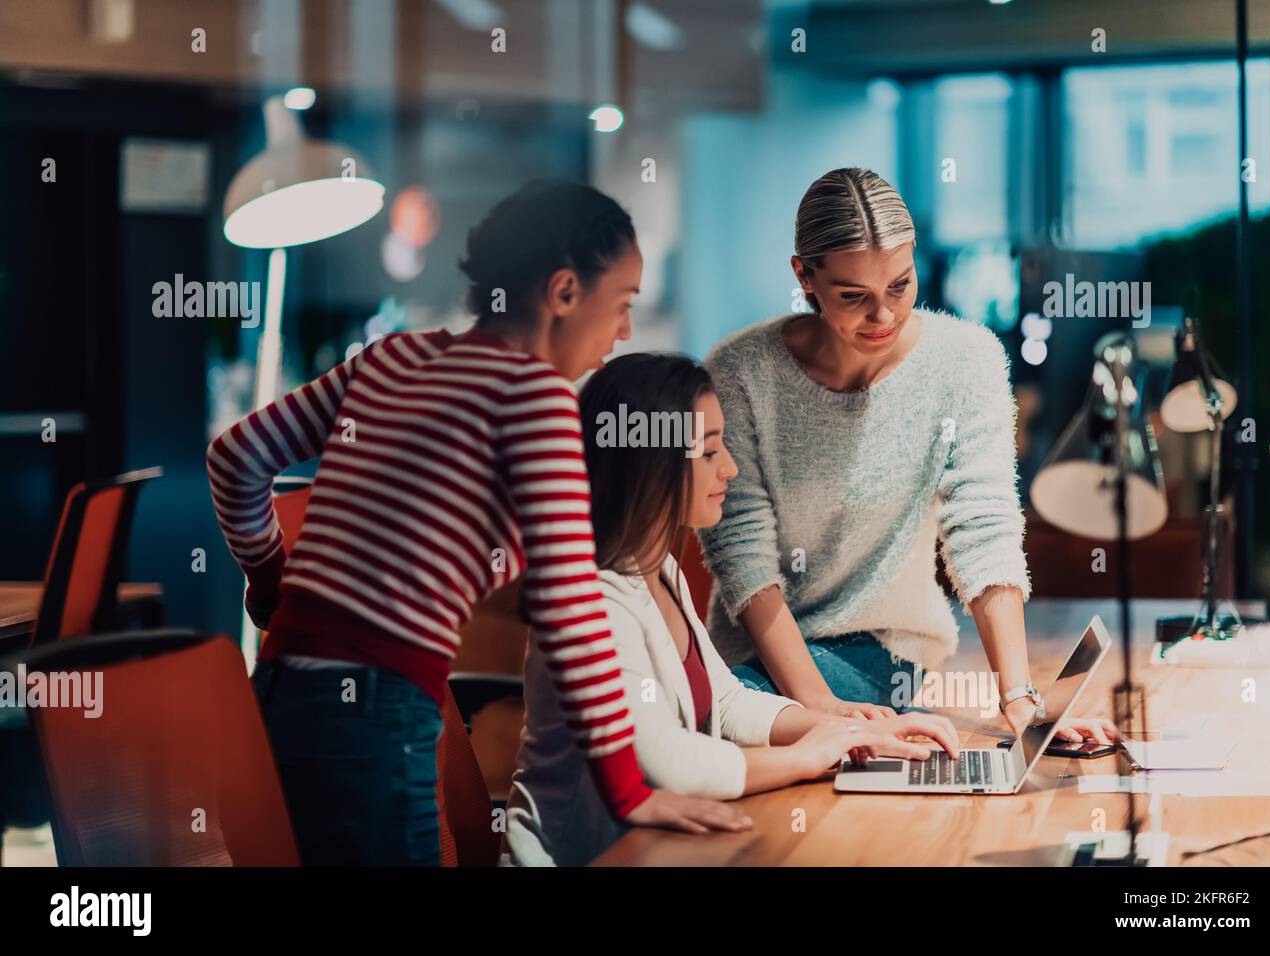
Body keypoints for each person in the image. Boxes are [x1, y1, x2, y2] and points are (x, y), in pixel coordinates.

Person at [207, 180, 749, 865]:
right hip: (377, 713)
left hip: (278, 697)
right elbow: (572, 610)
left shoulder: (391, 359)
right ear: (562, 294)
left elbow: (235, 458)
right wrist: (629, 794)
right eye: (620, 306)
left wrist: (268, 576)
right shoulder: (535, 400)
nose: (624, 332)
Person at [698, 167, 1117, 745]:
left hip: (880, 643)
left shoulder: (966, 361)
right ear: (804, 276)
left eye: (899, 284)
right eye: (854, 297)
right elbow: (741, 552)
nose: (884, 316)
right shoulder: (741, 372)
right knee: (708, 727)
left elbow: (984, 526)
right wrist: (819, 706)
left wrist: (1020, 698)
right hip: (756, 649)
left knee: (717, 734)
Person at [502, 353, 959, 866]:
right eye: (709, 450)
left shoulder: (659, 571)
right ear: (649, 462)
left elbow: (726, 704)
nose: (731, 468)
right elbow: (666, 765)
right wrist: (803, 758)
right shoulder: (593, 597)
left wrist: (848, 731)